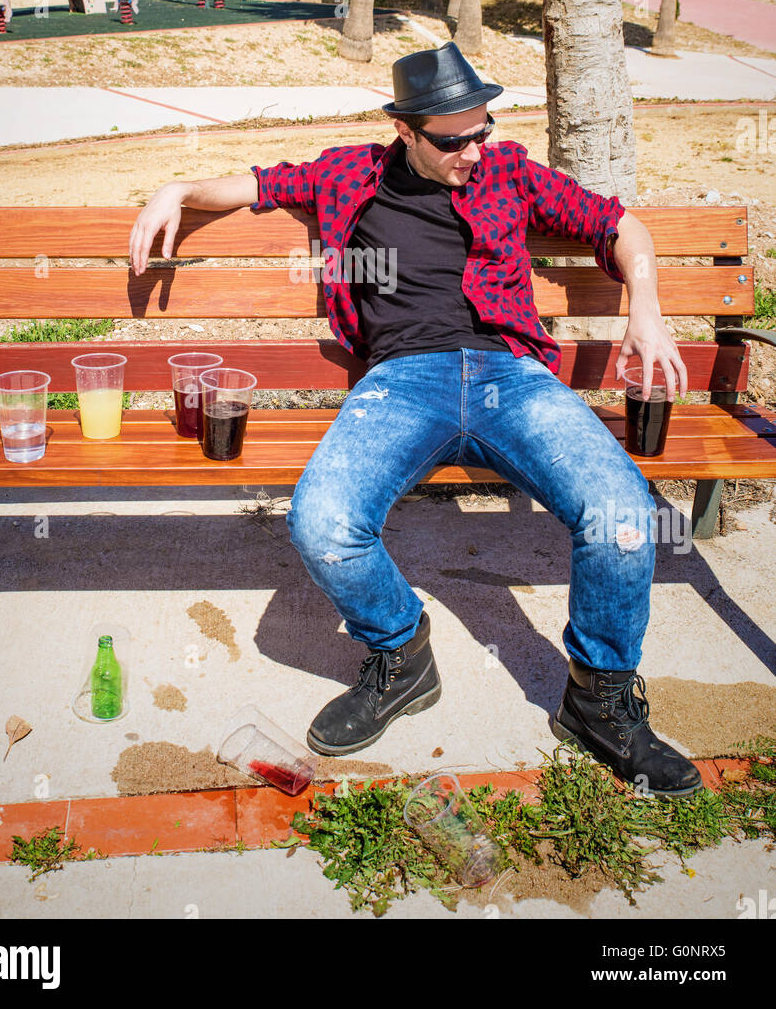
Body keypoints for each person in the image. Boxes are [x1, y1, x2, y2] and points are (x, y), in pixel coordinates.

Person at [129, 41, 700, 799]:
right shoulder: (348, 174)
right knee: (323, 522)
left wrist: (646, 313)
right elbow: (254, 185)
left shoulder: (511, 173)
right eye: (451, 139)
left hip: (510, 373)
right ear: (404, 131)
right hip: (402, 381)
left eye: (482, 130)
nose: (473, 149)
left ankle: (598, 698)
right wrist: (178, 185)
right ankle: (400, 652)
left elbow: (618, 226)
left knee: (623, 515)